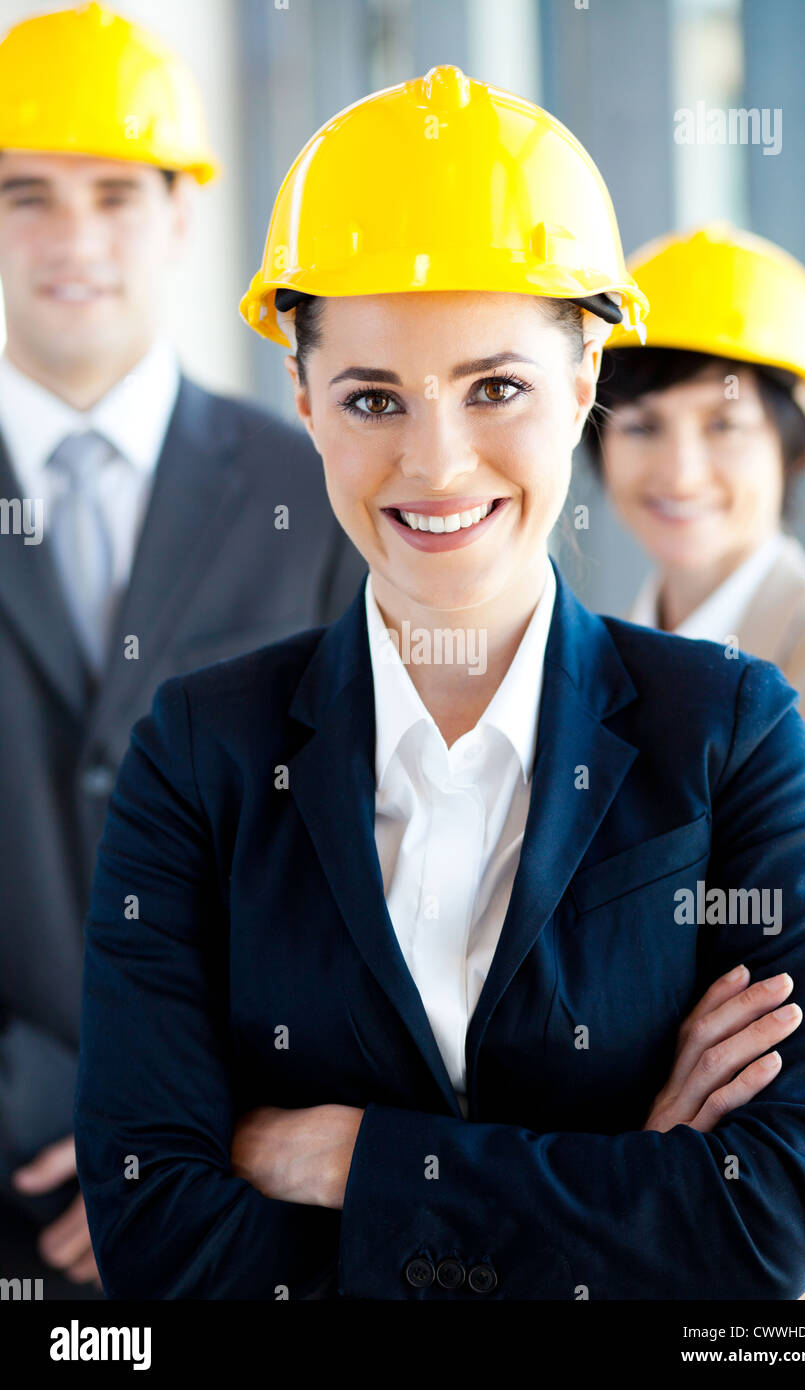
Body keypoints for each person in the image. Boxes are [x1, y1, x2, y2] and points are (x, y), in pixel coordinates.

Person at [74, 65, 805, 1300]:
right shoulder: (199, 753)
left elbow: (759, 1231)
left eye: (496, 387)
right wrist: (621, 1175)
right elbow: (160, 1240)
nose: (435, 466)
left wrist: (360, 1162)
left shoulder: (727, 730)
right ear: (302, 403)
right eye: (371, 398)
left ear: (586, 376)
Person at [0, 2, 365, 1297]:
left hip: (239, 1185)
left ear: (179, 215)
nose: (74, 238)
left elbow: (363, 853)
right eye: (26, 195)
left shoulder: (317, 484)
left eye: (115, 192)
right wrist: (58, 1102)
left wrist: (169, 1132)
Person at [582, 221, 805, 1299]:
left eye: (725, 424)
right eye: (641, 423)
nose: (678, 468)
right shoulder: (580, 672)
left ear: (797, 441)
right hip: (602, 1222)